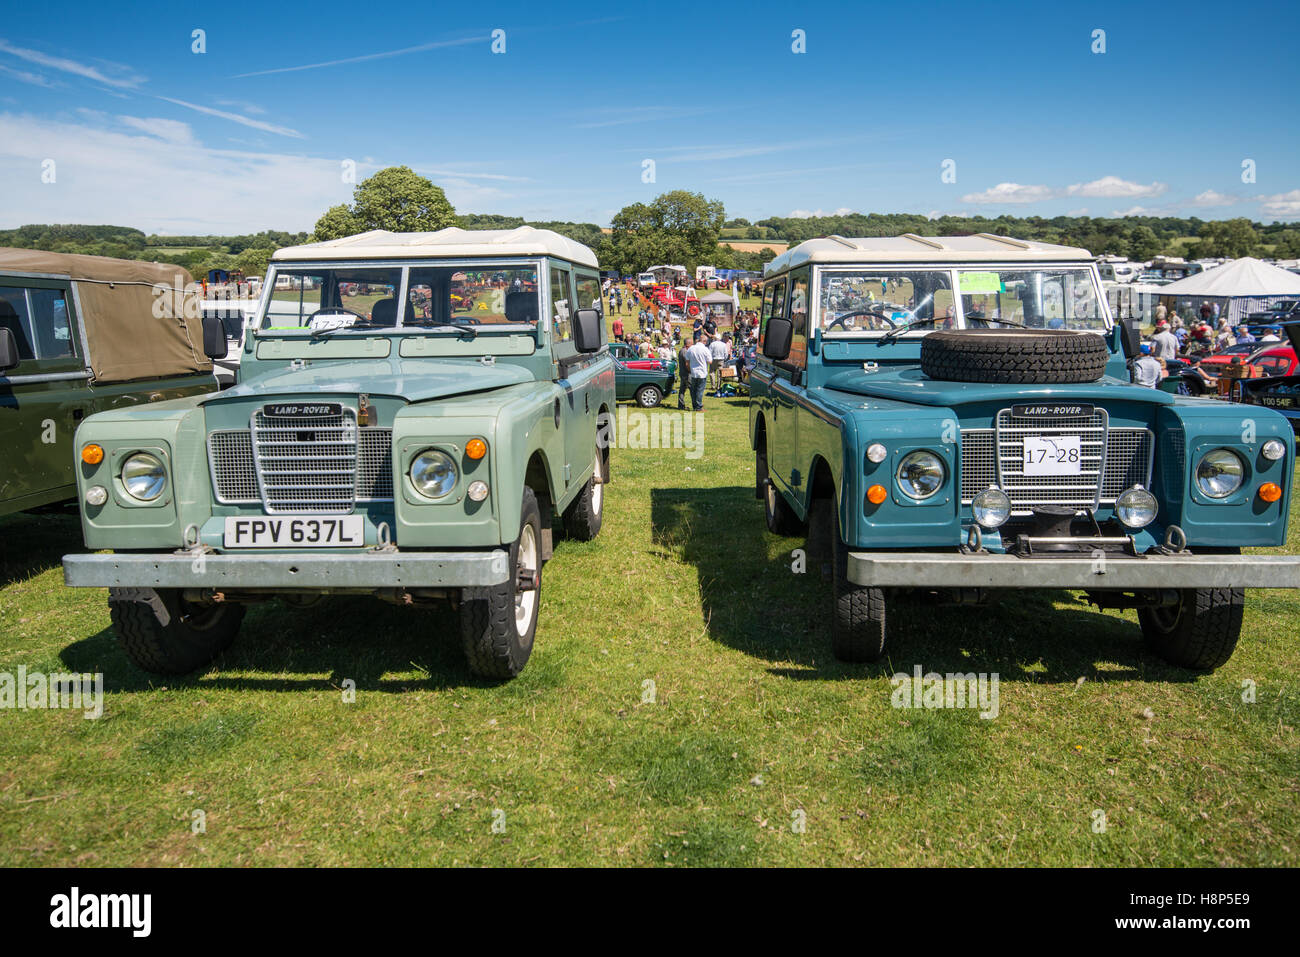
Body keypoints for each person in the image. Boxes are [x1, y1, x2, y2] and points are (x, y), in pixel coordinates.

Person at [685, 333, 712, 411]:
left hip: (693, 372)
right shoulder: (705, 349)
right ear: (705, 341)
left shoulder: (691, 349)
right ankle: (699, 406)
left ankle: (695, 405)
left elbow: (687, 362)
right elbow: (710, 361)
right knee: (700, 390)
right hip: (702, 372)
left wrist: (690, 370)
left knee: (693, 390)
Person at [676, 335, 693, 409]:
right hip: (686, 374)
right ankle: (696, 405)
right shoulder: (685, 351)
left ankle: (681, 405)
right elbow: (687, 363)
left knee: (682, 390)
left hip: (683, 373)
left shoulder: (682, 350)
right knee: (692, 389)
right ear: (688, 344)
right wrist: (690, 371)